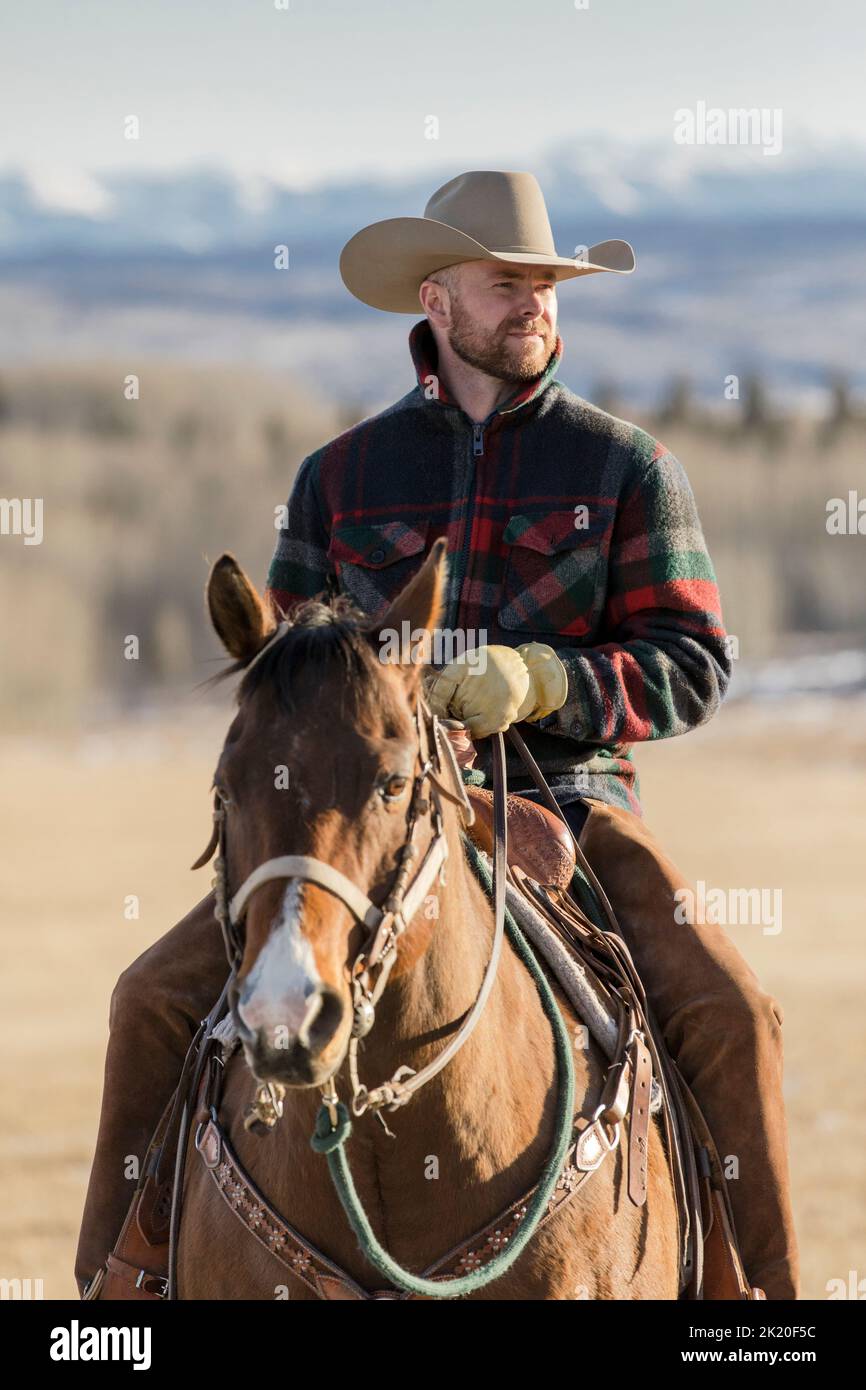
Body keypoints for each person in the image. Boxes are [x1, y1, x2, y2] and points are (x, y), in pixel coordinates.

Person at [76, 170, 799, 1300]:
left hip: (568, 807)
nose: (534, 305)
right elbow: (287, 682)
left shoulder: (625, 469)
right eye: (507, 284)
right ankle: (117, 1301)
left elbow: (692, 664)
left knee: (727, 1008)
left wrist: (542, 679)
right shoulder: (340, 479)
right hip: (363, 820)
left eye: (547, 286)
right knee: (150, 997)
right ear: (437, 297)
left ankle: (764, 1317)